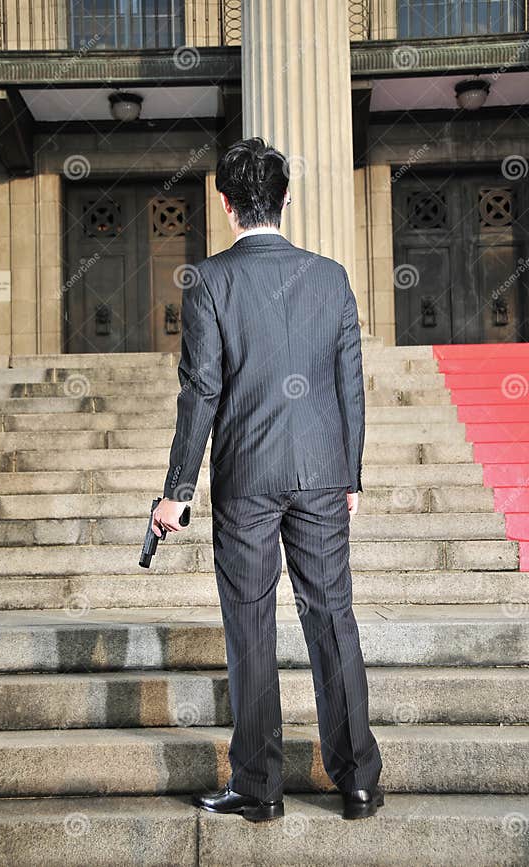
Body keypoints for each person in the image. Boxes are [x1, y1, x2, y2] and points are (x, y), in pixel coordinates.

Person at [152, 137, 384, 822]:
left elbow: (199, 394)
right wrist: (352, 475)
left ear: (226, 205)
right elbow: (351, 386)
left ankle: (259, 785)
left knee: (250, 625)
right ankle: (359, 779)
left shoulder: (211, 282)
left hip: (248, 477)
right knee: (332, 617)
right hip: (320, 472)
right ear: (286, 199)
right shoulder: (331, 276)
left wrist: (177, 491)